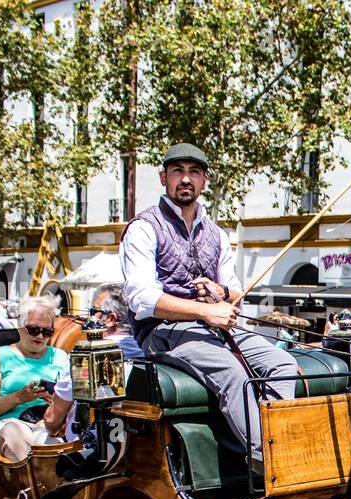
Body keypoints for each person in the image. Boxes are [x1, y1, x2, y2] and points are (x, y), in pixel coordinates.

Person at [121, 143, 298, 470]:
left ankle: (279, 442)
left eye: (194, 172)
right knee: (235, 375)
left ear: (204, 181)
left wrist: (219, 292)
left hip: (216, 326)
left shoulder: (216, 234)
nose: (185, 179)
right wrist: (204, 311)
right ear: (164, 178)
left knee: (282, 364)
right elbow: (141, 298)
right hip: (164, 331)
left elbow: (234, 293)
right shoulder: (144, 228)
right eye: (177, 171)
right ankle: (268, 461)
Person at [0, 295, 72, 462]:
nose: (41, 336)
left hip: (46, 424)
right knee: (15, 434)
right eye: (34, 329)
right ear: (20, 326)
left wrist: (56, 400)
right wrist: (19, 398)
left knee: (54, 445)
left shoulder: (60, 357)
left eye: (47, 332)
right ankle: (31, 486)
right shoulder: (1, 355)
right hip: (8, 423)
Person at [89, 282, 143, 361]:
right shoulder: (150, 350)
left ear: (110, 319)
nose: (90, 318)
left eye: (93, 311)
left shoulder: (87, 354)